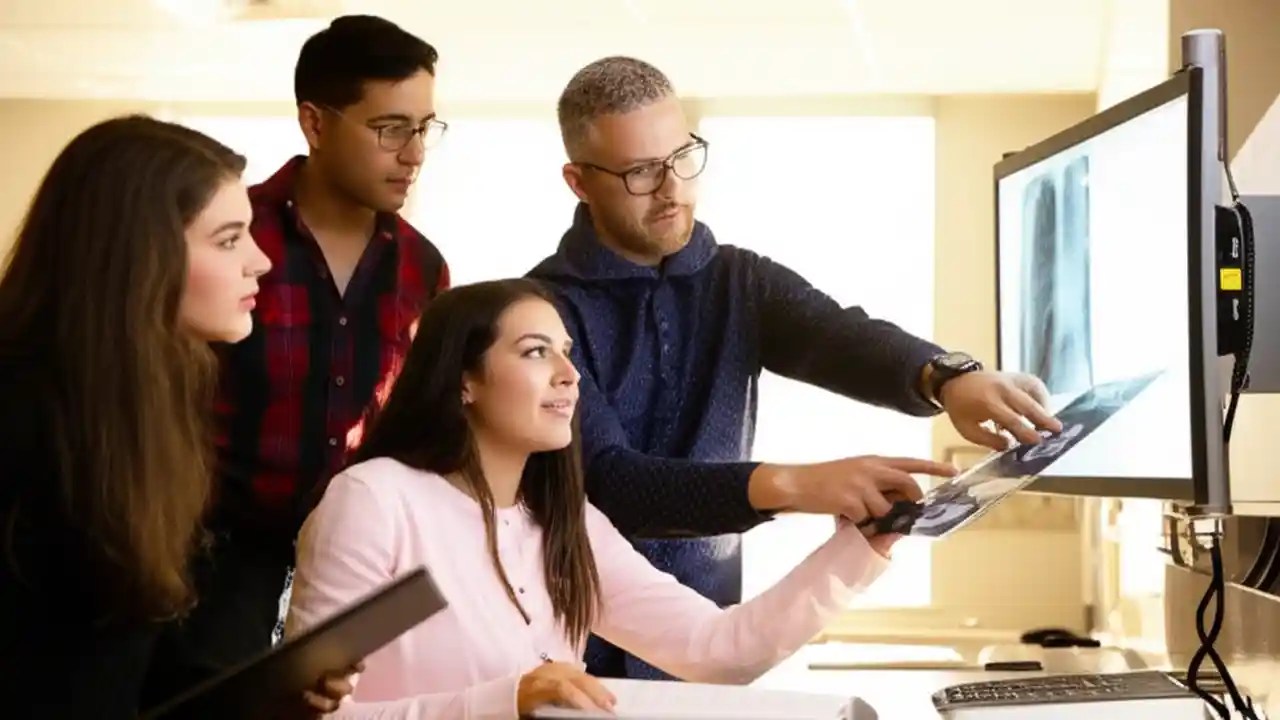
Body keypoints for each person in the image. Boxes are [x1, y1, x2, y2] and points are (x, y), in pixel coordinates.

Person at [525, 55, 1064, 680]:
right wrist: (800, 486)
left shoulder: (740, 281)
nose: (672, 189)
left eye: (682, 158)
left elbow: (840, 336)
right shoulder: (540, 313)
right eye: (642, 172)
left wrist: (950, 376)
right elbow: (614, 485)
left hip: (710, 644)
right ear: (578, 181)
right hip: (572, 657)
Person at [284, 278, 926, 718]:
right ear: (464, 382)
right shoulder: (374, 501)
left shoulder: (563, 521)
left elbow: (717, 651)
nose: (568, 374)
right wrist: (507, 701)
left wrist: (860, 548)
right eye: (536, 353)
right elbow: (308, 715)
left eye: (567, 354)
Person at [0, 115, 354, 717]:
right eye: (228, 238)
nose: (261, 261)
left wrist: (267, 698)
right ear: (139, 255)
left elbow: (128, 674)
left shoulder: (157, 406)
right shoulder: (22, 416)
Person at [143, 15, 452, 703]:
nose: (415, 152)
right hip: (209, 558)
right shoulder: (227, 234)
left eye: (426, 127)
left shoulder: (423, 268)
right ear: (315, 122)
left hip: (352, 559)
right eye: (391, 127)